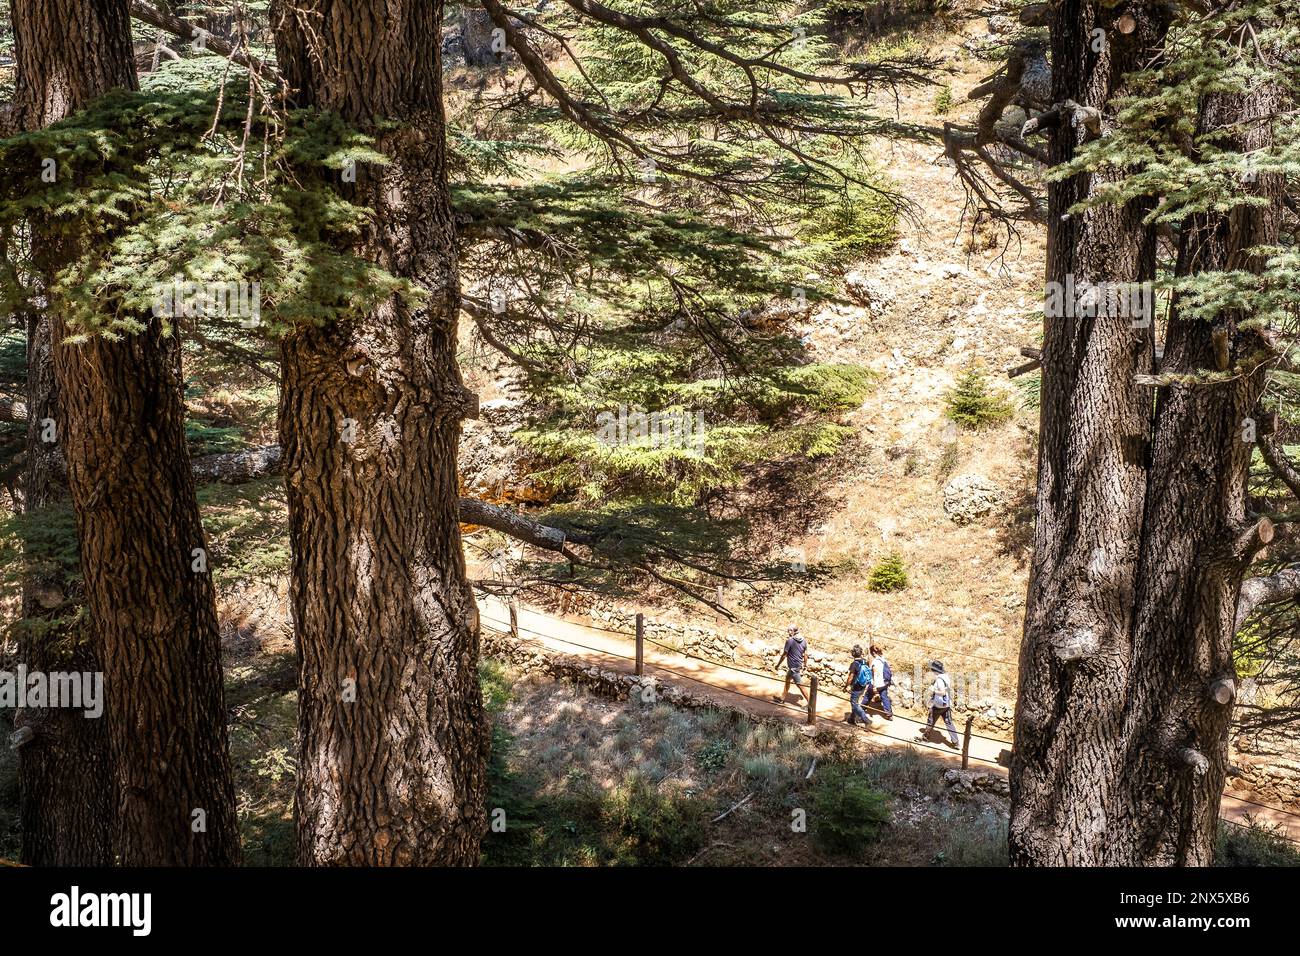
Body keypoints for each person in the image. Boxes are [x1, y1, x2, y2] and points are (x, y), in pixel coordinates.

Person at [923, 660, 959, 748]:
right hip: (946, 704)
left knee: (931, 720)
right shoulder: (946, 676)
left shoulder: (939, 679)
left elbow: (942, 692)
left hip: (938, 704)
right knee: (949, 723)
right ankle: (955, 742)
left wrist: (933, 690)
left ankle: (925, 737)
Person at [773, 625, 809, 704]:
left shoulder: (790, 641)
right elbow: (806, 655)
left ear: (791, 631)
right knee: (787, 679)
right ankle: (782, 698)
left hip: (793, 667)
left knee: (800, 685)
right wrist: (805, 664)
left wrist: (778, 665)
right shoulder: (804, 641)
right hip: (797, 665)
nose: (788, 632)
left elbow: (784, 654)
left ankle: (810, 704)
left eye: (789, 631)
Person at [844, 644, 872, 725]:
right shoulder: (864, 661)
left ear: (853, 654)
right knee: (855, 702)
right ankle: (852, 719)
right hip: (863, 686)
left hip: (856, 687)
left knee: (854, 703)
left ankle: (866, 720)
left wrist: (846, 686)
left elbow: (851, 677)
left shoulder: (854, 664)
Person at [865, 644, 893, 719]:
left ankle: (861, 709)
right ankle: (889, 714)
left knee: (867, 696)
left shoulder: (875, 662)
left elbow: (875, 674)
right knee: (884, 697)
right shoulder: (883, 659)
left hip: (877, 683)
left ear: (873, 653)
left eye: (871, 653)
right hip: (884, 683)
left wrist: (874, 686)